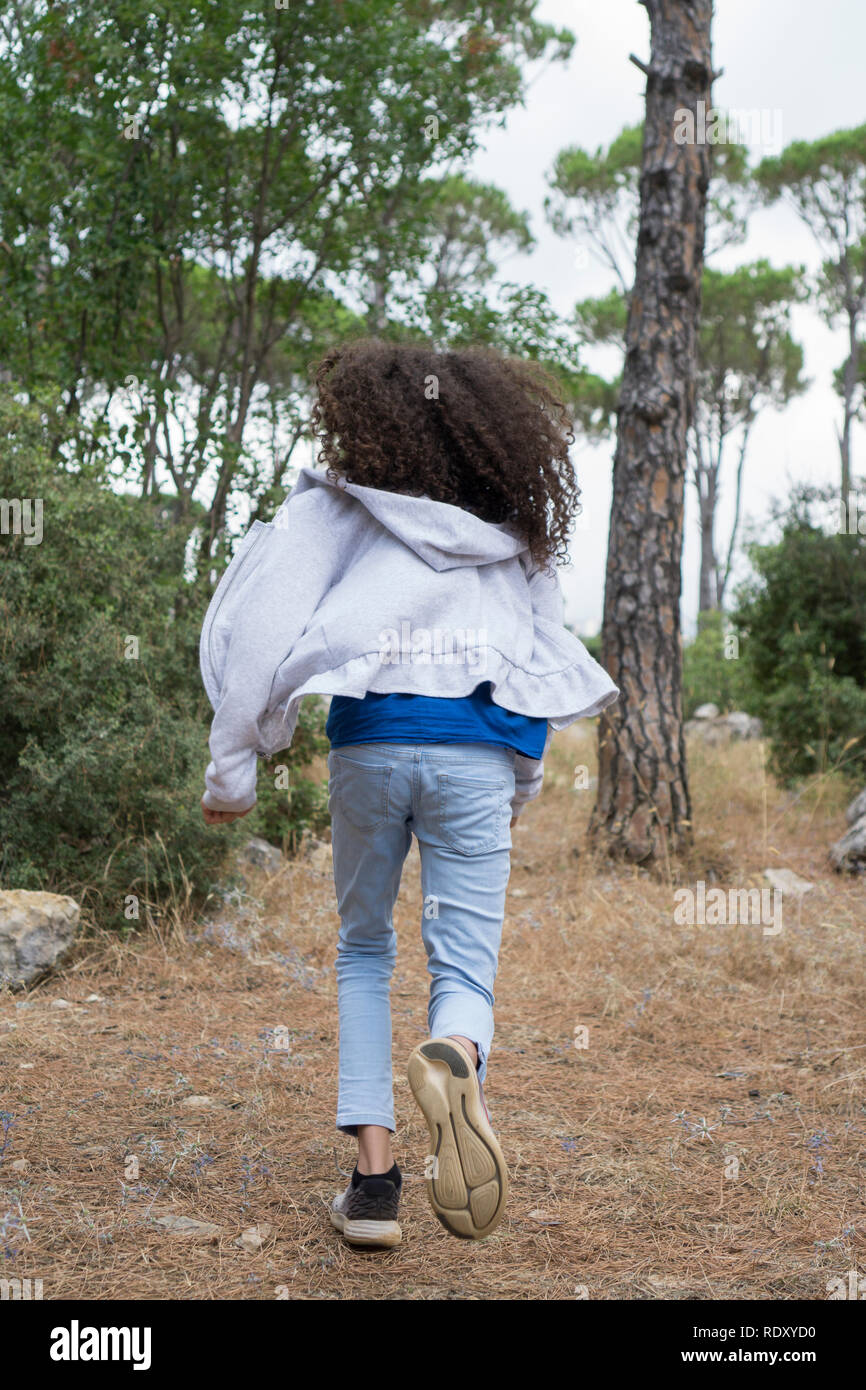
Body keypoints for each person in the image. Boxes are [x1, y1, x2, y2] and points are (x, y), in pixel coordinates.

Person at [199, 339, 619, 1248]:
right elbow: (538, 654)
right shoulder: (514, 529)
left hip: (373, 744)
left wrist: (232, 767)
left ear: (366, 420)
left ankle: (375, 1189)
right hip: (480, 749)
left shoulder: (337, 507)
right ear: (496, 432)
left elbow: (264, 619)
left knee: (363, 950)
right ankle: (457, 1056)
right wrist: (526, 775)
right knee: (465, 966)